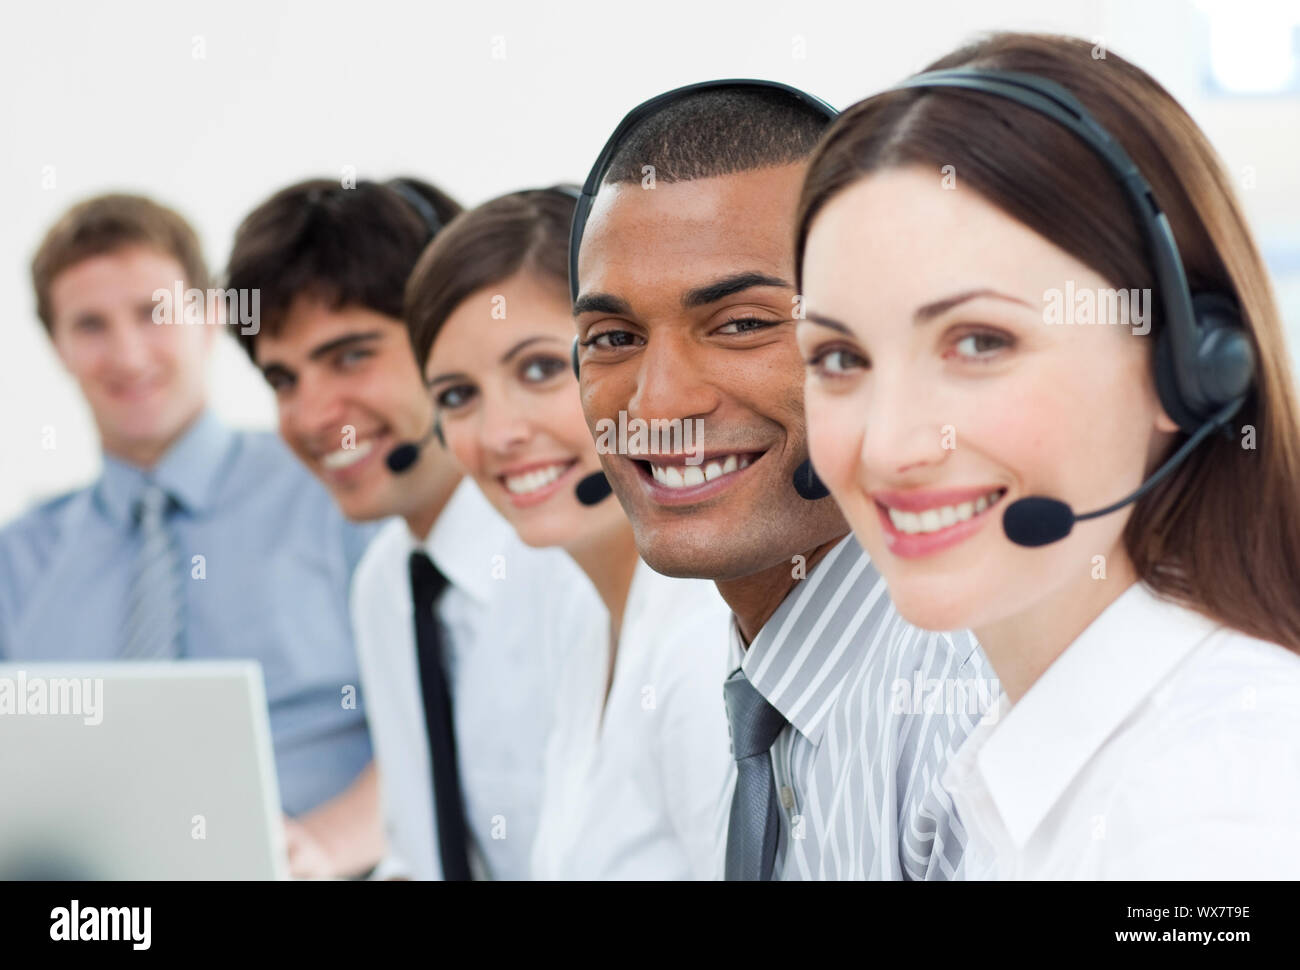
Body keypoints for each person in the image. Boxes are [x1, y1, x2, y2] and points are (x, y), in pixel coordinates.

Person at [794, 31, 1300, 878]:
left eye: (980, 342)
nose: (889, 447)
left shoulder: (1213, 813)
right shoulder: (1033, 758)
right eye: (840, 359)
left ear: (1188, 365)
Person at [570, 83, 991, 880]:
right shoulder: (717, 683)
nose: (657, 402)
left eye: (742, 325)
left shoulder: (968, 704)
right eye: (614, 337)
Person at [0, 193, 379, 876]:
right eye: (90, 324)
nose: (127, 352)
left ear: (209, 316)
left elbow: (442, 719)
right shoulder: (17, 561)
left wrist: (320, 849)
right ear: (56, 345)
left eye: (153, 313)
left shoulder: (338, 491)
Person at [226, 177, 588, 880]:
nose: (308, 416)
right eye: (282, 380)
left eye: (351, 355)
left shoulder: (575, 562)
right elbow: (425, 852)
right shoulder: (389, 584)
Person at [410, 186, 732, 879]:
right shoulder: (593, 631)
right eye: (457, 397)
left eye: (540, 369)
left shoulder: (700, 645)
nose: (499, 434)